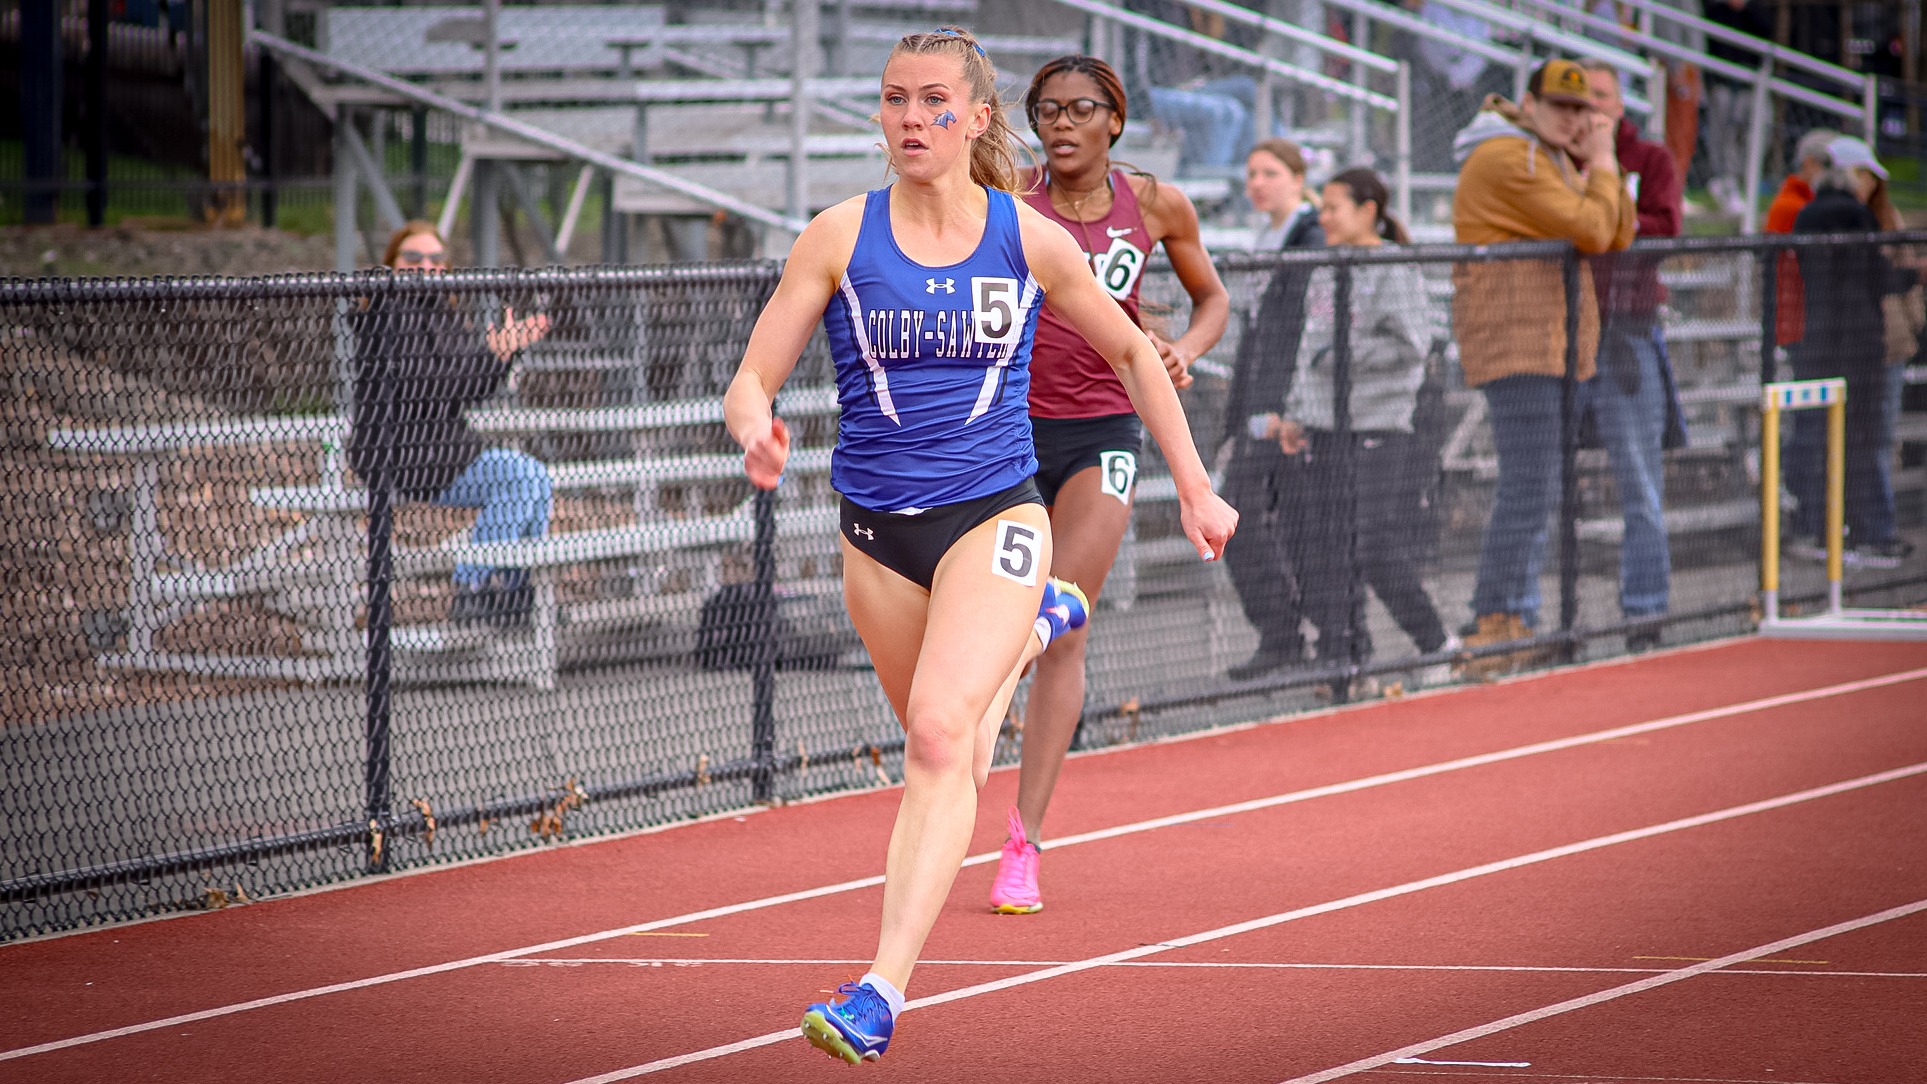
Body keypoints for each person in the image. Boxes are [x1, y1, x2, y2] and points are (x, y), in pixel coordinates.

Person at [720, 28, 1236, 1065]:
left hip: (994, 515)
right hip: (875, 531)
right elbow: (750, 375)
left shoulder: (1027, 236)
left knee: (939, 738)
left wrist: (1194, 484)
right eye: (893, 100)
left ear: (976, 117)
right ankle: (1040, 621)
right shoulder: (836, 234)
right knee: (945, 746)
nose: (911, 119)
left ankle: (877, 991)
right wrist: (754, 427)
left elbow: (1135, 352)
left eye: (933, 102)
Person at [994, 53, 1230, 917]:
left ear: (1114, 120)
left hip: (1104, 430)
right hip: (1008, 433)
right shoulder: (1008, 204)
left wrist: (1184, 351)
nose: (1060, 125)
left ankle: (1024, 840)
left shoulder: (1156, 203)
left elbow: (1209, 298)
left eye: (1079, 109)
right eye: (1045, 110)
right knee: (999, 626)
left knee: (1062, 618)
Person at [1451, 59, 1635, 672]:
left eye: (1582, 109)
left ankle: (1513, 616)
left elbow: (1618, 233)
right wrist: (1602, 163)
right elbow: (1592, 228)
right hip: (1519, 345)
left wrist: (1594, 164)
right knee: (1530, 487)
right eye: (1559, 105)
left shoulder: (1547, 153)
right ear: (1526, 104)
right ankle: (1491, 620)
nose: (1573, 118)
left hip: (1555, 345)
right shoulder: (1509, 156)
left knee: (1540, 488)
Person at [1263, 167, 1455, 683]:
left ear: (1368, 211)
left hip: (1381, 424)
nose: (1322, 217)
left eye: (1332, 208)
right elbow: (1308, 350)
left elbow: (1413, 345)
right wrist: (1298, 413)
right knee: (1328, 545)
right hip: (1325, 428)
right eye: (1321, 208)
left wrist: (1341, 355)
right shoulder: (1326, 265)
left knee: (1370, 543)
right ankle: (1350, 660)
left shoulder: (1394, 268)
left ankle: (1436, 643)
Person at [348, 220, 554, 627]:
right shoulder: (390, 311)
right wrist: (489, 355)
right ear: (392, 264)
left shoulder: (441, 312)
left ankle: (511, 594)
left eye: (436, 258)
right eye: (413, 257)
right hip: (401, 454)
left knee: (535, 478)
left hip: (443, 449)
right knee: (521, 478)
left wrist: (502, 354)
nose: (426, 265)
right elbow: (428, 385)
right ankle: (474, 590)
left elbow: (469, 389)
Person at [1577, 58, 1689, 652]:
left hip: (1629, 332)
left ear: (1621, 103)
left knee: (1640, 486)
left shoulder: (1650, 159)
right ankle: (1554, 626)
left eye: (1600, 97)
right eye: (1578, 100)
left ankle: (1644, 614)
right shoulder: (1552, 161)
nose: (1589, 110)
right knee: (1547, 487)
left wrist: (1608, 217)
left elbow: (1665, 227)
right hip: (1567, 336)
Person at [1788, 137, 1919, 569]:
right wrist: (1911, 275)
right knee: (1860, 440)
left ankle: (1826, 528)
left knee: (1825, 437)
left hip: (1819, 339)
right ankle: (1862, 531)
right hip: (1859, 343)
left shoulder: (1807, 214)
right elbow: (1877, 277)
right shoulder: (1856, 215)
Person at [1221, 138, 1323, 680]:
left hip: (1293, 411)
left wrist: (1290, 408)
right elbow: (1258, 336)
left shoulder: (1312, 237)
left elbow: (1306, 335)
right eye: (1251, 172)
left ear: (1298, 179)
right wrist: (1242, 414)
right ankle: (1282, 634)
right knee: (1239, 516)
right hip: (1261, 409)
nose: (1257, 182)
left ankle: (1316, 636)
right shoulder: (1267, 236)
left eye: (1270, 172)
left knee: (1297, 522)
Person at [1764, 128, 1841, 353]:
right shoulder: (1791, 206)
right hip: (1799, 318)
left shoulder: (1809, 203)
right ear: (1808, 163)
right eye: (1826, 166)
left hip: (1811, 315)